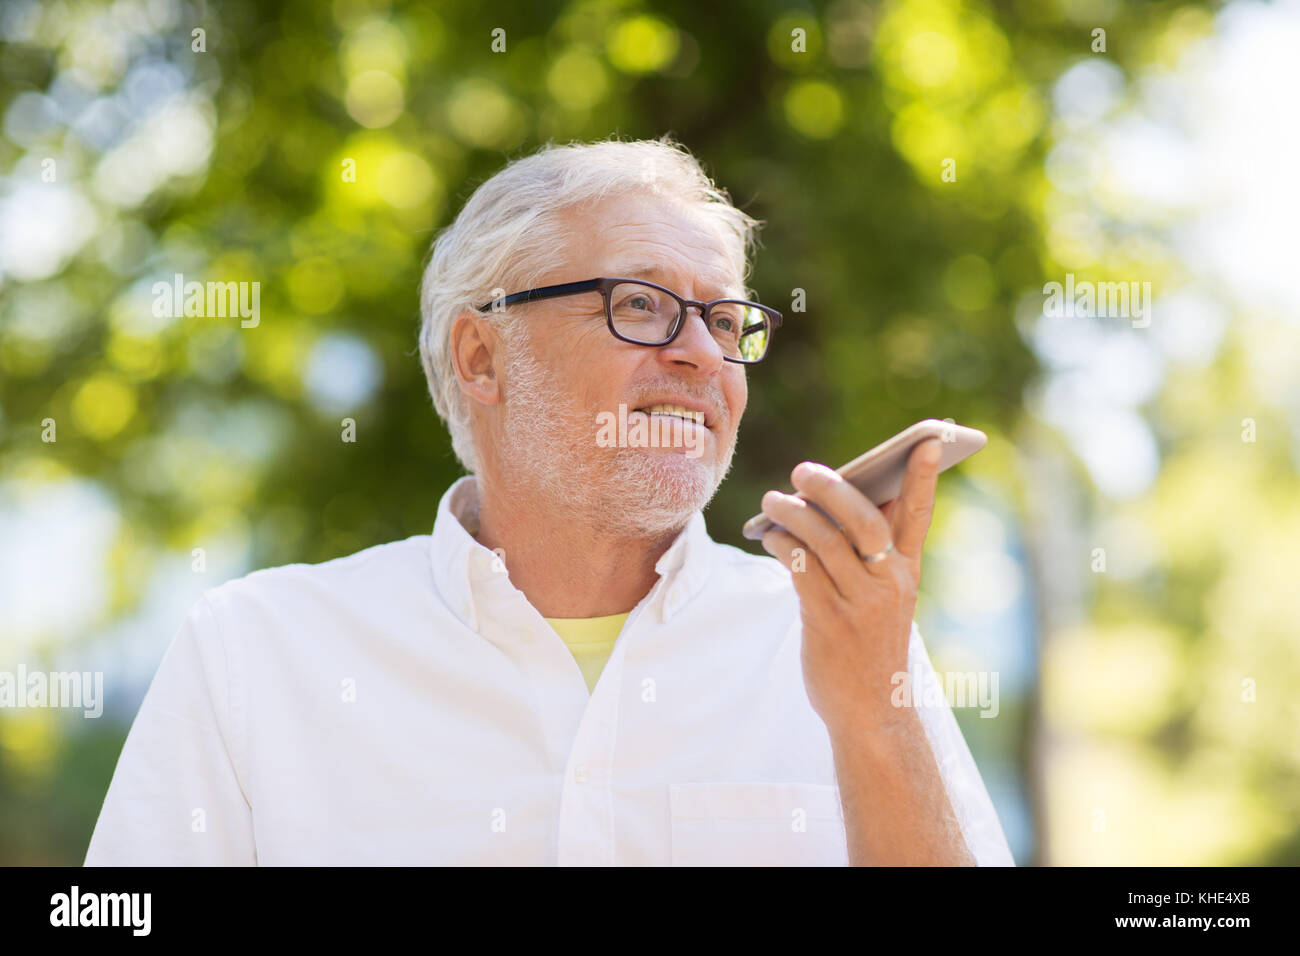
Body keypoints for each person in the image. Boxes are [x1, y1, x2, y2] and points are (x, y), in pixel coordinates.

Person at [85, 136, 1014, 866]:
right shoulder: (256, 653)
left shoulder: (841, 639)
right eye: (641, 305)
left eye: (726, 321)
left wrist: (875, 722)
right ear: (482, 357)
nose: (701, 353)